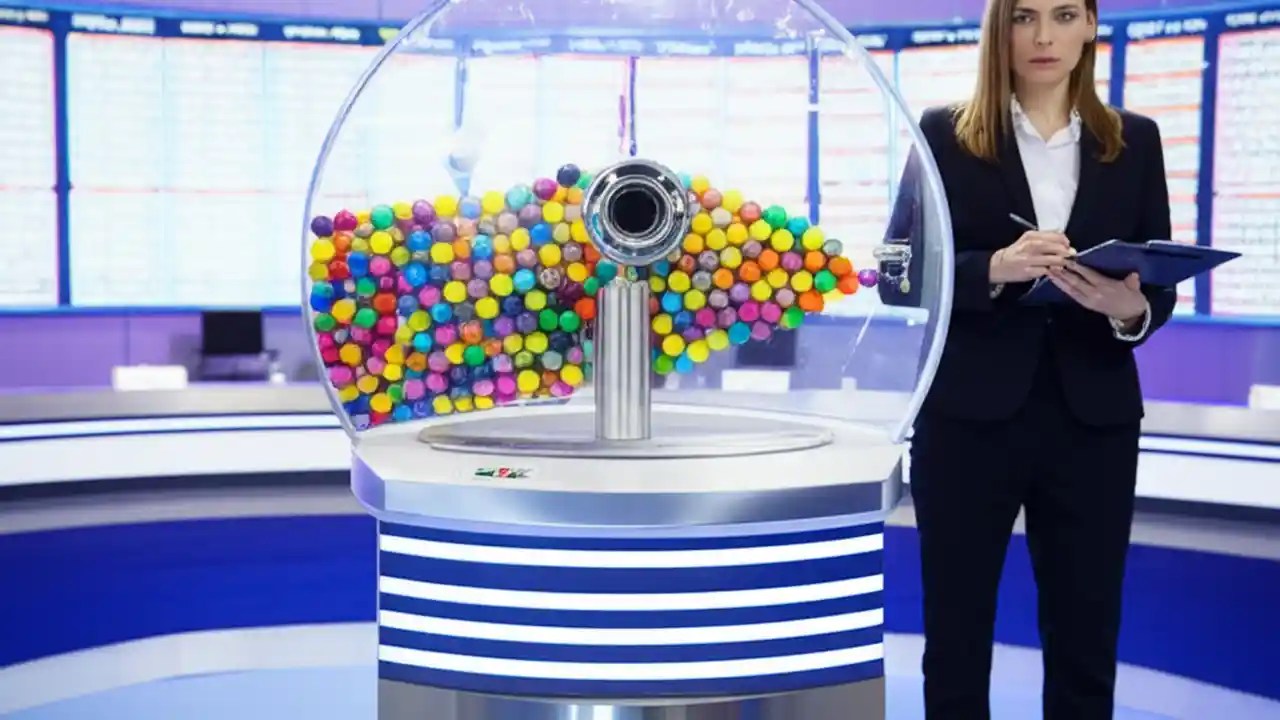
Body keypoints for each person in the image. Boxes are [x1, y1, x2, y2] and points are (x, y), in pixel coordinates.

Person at [886, 0, 1178, 717]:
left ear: (1090, 28)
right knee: (956, 639)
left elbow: (1158, 282)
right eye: (1024, 17)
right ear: (1000, 30)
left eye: (1063, 15)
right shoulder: (945, 135)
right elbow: (898, 273)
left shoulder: (1136, 141)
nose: (1044, 36)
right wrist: (994, 267)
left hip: (1095, 422)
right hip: (967, 419)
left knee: (1086, 638)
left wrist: (1129, 311)